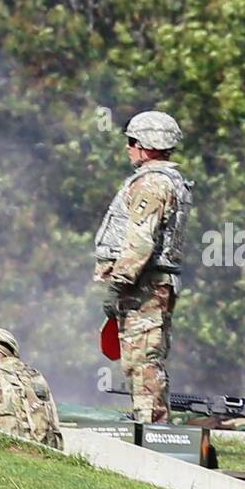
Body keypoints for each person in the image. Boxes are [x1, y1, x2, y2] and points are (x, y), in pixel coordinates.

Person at [94, 110, 193, 423]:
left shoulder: (151, 185)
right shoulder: (166, 182)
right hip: (150, 284)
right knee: (143, 356)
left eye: (132, 141)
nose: (128, 147)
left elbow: (140, 242)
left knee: (143, 359)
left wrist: (118, 283)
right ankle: (150, 420)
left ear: (146, 145)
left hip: (144, 286)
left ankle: (150, 425)